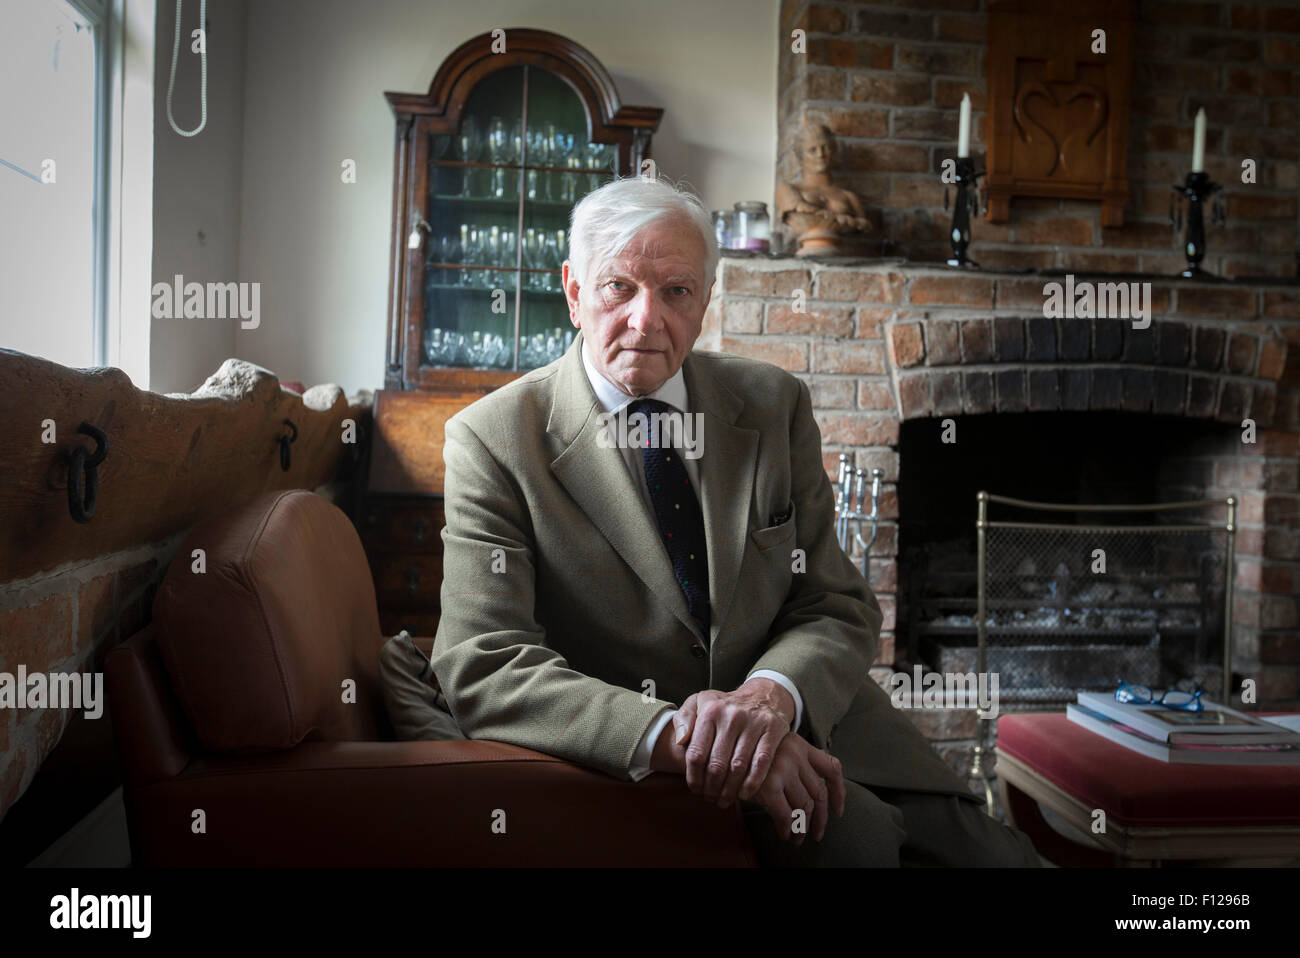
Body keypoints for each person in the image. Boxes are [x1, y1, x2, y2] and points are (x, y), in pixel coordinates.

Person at [430, 175, 1040, 867]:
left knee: (1003, 857)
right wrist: (692, 735)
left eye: (676, 291)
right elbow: (484, 664)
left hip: (828, 725)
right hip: (653, 760)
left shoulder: (772, 404)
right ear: (573, 292)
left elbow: (834, 603)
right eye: (618, 287)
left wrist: (769, 700)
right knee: (858, 845)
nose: (646, 318)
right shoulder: (494, 439)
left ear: (706, 301)